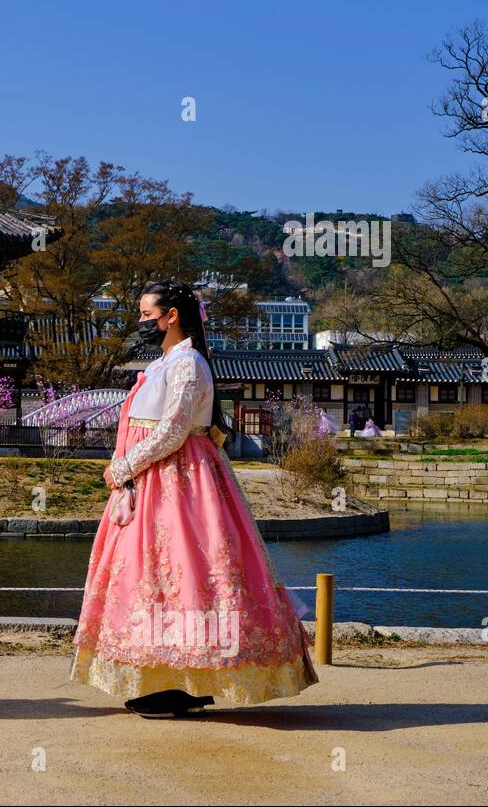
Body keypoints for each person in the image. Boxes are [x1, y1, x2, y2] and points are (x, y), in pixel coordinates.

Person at [70, 278, 318, 717]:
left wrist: (123, 467)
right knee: (152, 579)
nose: (142, 323)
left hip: (180, 481)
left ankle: (180, 678)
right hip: (154, 481)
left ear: (172, 317)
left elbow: (172, 430)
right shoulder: (166, 363)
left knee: (187, 575)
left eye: (147, 315)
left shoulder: (187, 364)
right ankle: (160, 676)